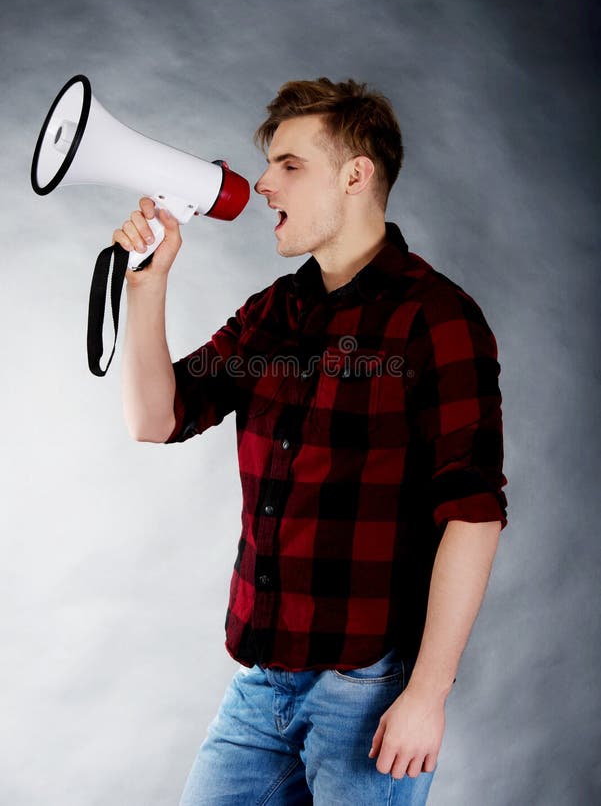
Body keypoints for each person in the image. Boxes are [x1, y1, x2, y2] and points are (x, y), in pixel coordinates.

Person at [113, 78, 508, 805]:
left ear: (356, 175)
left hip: (365, 689)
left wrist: (426, 694)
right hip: (261, 683)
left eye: (289, 165)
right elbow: (155, 418)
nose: (262, 184)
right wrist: (147, 288)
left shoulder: (436, 319)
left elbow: (472, 512)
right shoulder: (275, 311)